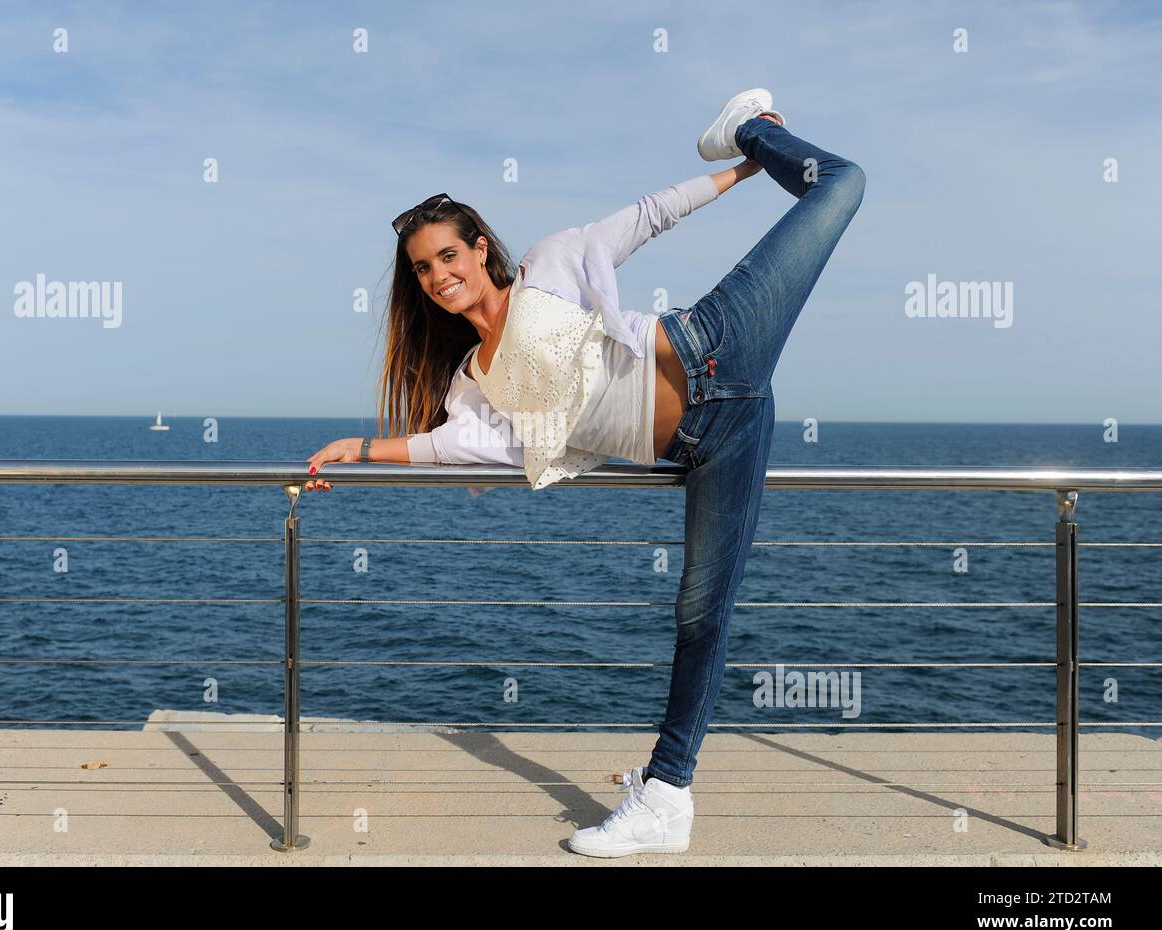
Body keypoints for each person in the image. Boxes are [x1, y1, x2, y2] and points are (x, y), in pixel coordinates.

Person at [306, 88, 865, 857]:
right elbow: (447, 447)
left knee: (842, 183)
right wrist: (356, 450)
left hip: (715, 343)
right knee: (701, 614)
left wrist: (740, 167)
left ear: (479, 251)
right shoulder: (470, 384)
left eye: (447, 256)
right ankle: (667, 798)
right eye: (423, 269)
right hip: (720, 434)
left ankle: (755, 127)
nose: (439, 276)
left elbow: (647, 215)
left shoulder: (549, 266)